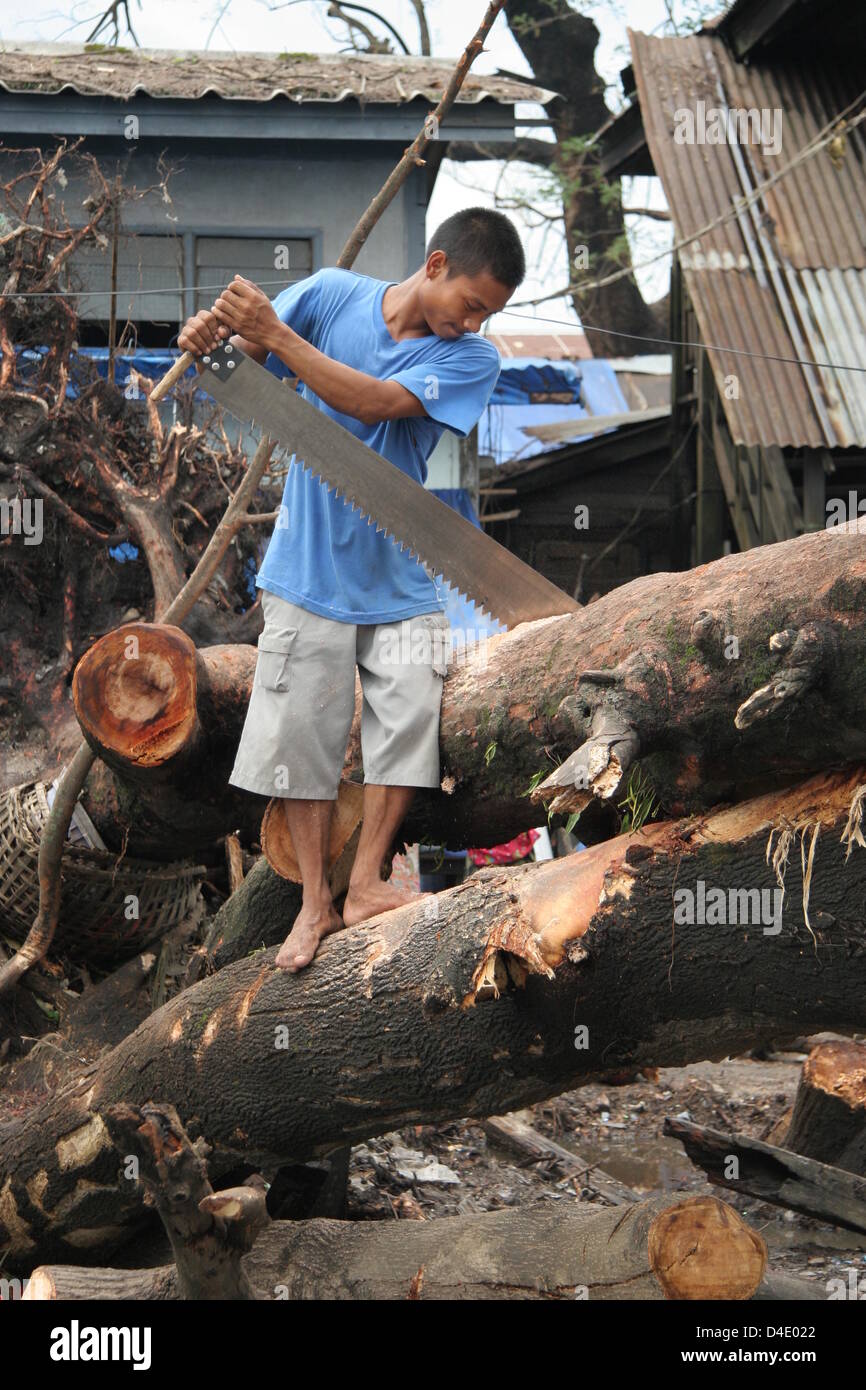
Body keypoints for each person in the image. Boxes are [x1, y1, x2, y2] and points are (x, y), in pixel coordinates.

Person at [177, 207, 526, 971]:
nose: (474, 323)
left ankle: (366, 881)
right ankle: (313, 906)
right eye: (471, 303)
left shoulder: (472, 360)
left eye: (487, 314)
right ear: (435, 266)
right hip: (307, 569)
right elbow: (242, 366)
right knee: (300, 737)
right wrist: (209, 343)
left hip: (401, 575)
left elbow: (370, 402)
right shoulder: (332, 295)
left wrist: (277, 334)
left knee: (408, 726)